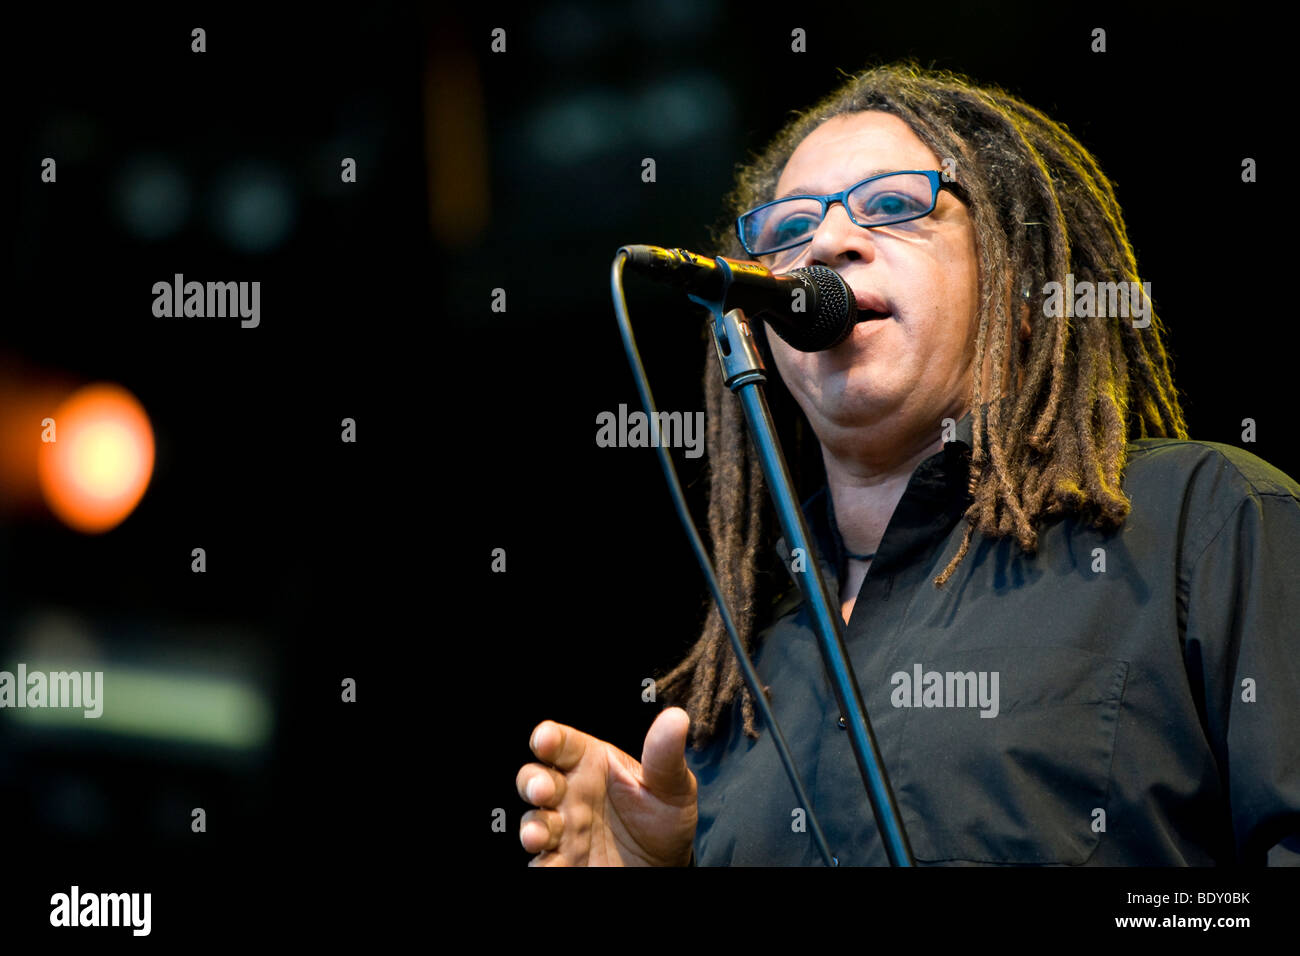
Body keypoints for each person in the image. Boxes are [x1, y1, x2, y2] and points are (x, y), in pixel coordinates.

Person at [515, 63, 1300, 866]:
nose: (824, 243)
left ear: (1022, 290)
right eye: (787, 231)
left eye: (892, 206)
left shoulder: (1205, 521)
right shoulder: (740, 692)